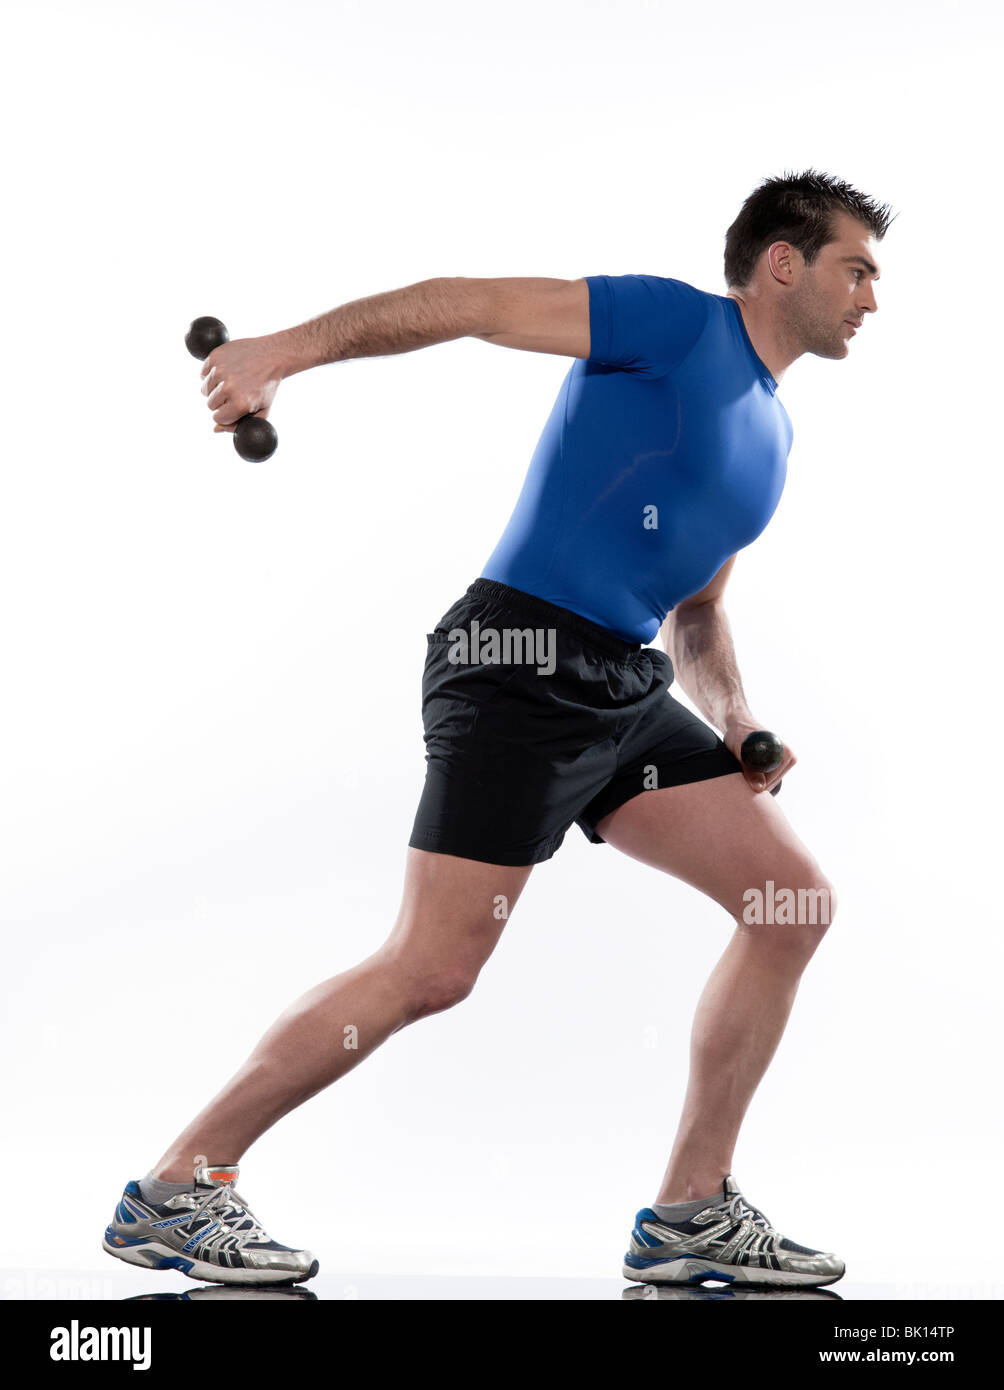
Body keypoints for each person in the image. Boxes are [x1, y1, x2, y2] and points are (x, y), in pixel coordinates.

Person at [103, 169, 892, 1289]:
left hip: (621, 684)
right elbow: (465, 302)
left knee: (789, 904)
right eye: (855, 268)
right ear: (782, 263)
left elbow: (699, 611)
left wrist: (736, 716)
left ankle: (687, 1212)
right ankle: (178, 1188)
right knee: (432, 968)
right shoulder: (673, 325)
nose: (869, 297)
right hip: (515, 656)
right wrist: (279, 351)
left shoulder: (771, 440)